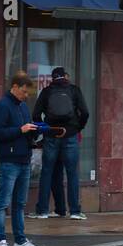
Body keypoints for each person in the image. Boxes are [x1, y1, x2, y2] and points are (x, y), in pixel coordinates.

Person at [0, 72, 43, 246]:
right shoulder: (2, 106)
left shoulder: (22, 107)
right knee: (3, 203)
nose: (26, 96)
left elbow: (25, 130)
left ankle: (20, 241)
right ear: (14, 87)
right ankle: (1, 242)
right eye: (24, 92)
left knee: (20, 204)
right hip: (9, 161)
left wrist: (35, 133)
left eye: (28, 93)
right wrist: (20, 130)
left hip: (24, 159)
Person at [32, 67, 90, 220]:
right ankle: (75, 212)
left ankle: (42, 211)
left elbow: (36, 114)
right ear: (65, 76)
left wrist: (45, 129)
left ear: (52, 78)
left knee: (47, 172)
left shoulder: (46, 91)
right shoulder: (74, 90)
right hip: (70, 135)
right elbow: (85, 112)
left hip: (51, 135)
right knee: (72, 174)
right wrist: (77, 127)